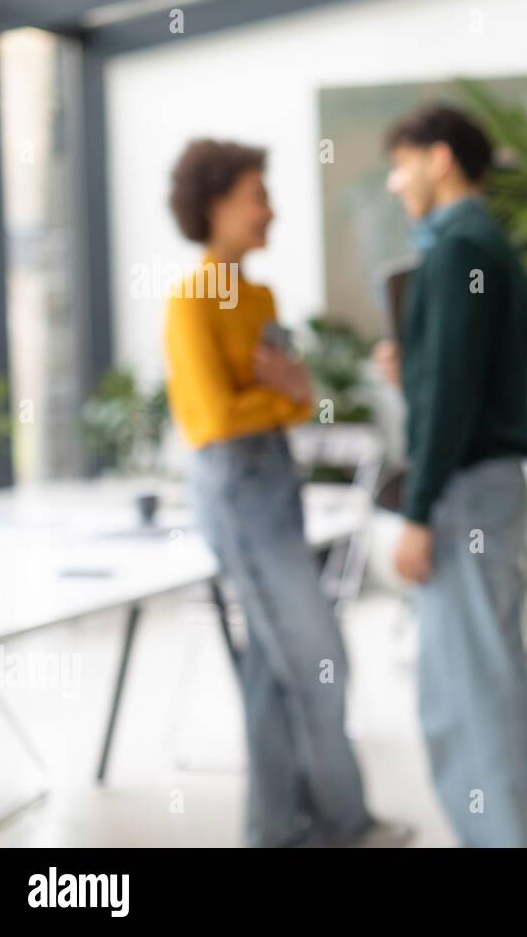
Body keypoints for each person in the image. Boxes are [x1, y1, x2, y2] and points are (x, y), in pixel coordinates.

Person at [164, 139, 409, 847]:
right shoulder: (190, 302)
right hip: (234, 492)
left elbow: (300, 401)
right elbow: (210, 420)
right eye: (256, 196)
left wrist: (280, 393)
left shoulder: (261, 296)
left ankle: (275, 832)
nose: (269, 209)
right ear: (214, 207)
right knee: (320, 656)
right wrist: (281, 392)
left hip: (274, 479)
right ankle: (343, 823)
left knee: (276, 669)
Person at [376, 107, 527, 847]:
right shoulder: (493, 244)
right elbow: (460, 373)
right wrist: (412, 370)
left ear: (439, 159)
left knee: (462, 692)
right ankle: (526, 832)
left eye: (402, 164)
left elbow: (452, 393)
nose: (395, 183)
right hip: (495, 484)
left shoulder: (454, 251)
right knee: (497, 678)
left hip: (463, 492)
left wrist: (417, 512)